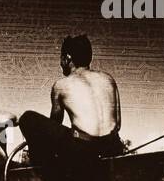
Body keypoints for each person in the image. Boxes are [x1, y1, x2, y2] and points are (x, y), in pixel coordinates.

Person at [18, 35, 124, 166]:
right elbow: (117, 124)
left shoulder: (61, 85)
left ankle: (43, 168)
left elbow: (54, 124)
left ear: (67, 58)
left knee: (27, 118)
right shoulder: (108, 79)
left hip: (85, 150)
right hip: (113, 146)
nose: (60, 64)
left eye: (61, 59)